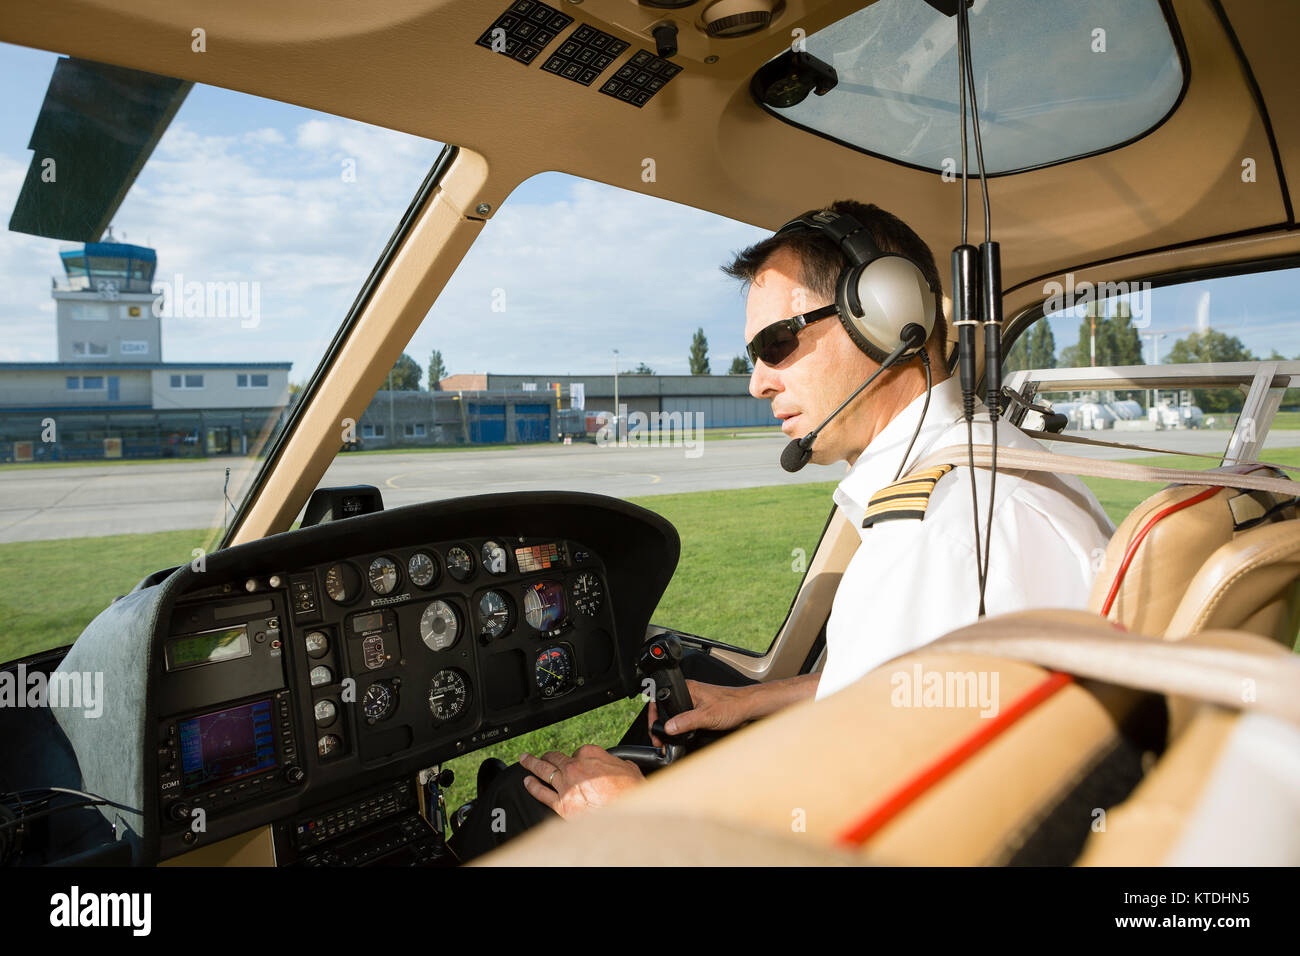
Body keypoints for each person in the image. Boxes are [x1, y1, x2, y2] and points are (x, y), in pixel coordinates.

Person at [448, 199, 1114, 859]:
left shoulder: (939, 534)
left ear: (889, 317)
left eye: (777, 344)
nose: (757, 383)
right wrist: (753, 701)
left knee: (518, 811)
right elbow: (905, 687)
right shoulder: (988, 463)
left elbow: (870, 838)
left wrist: (640, 815)